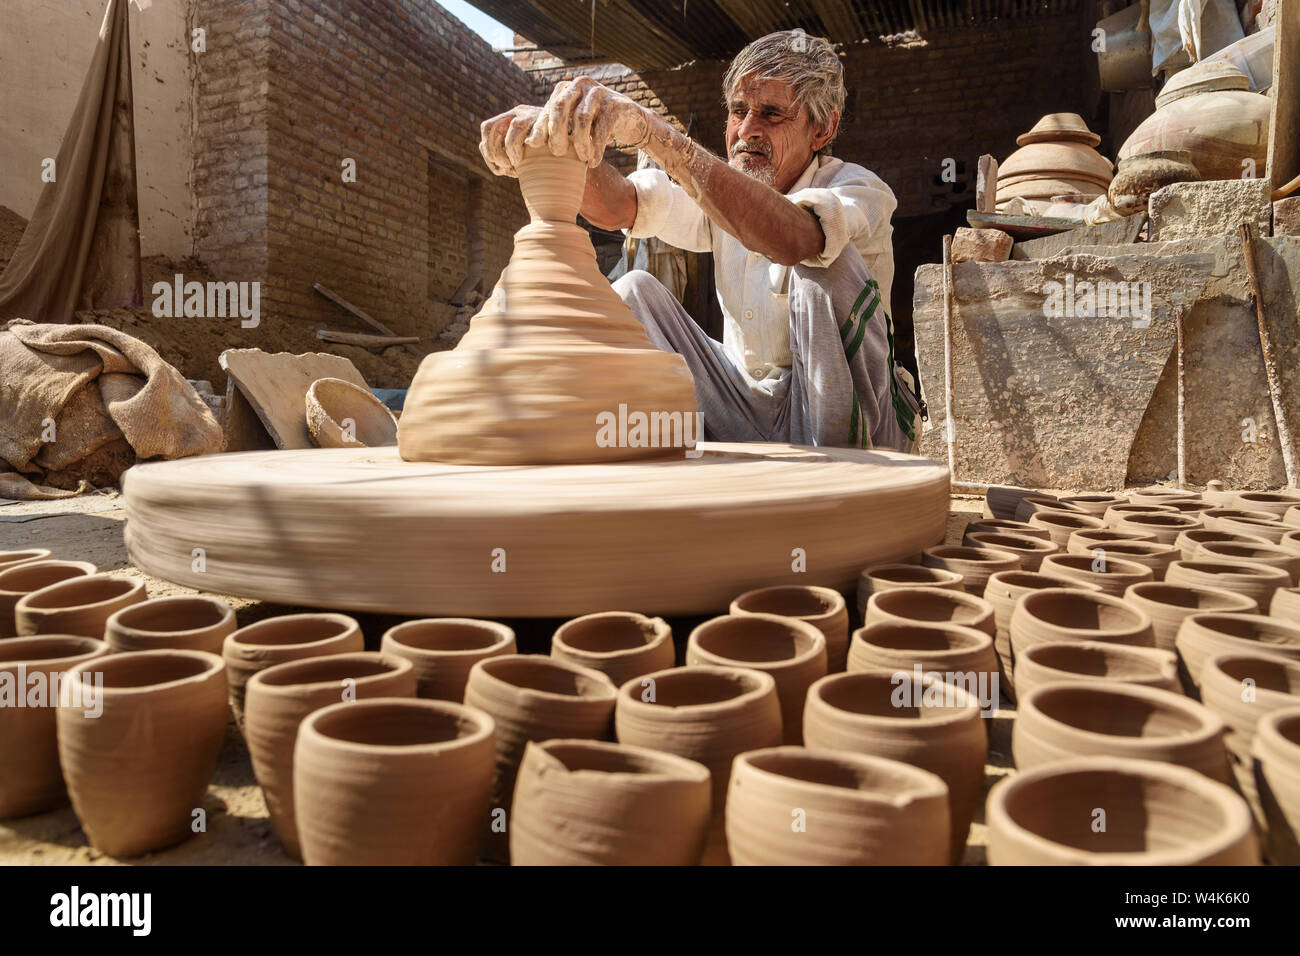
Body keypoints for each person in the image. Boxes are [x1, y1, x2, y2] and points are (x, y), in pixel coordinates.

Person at [479, 30, 923, 451]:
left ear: (822, 129)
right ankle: (657, 455)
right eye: (737, 111)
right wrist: (556, 143)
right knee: (635, 291)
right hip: (749, 407)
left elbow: (792, 237)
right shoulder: (720, 199)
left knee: (822, 262)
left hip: (866, 425)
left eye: (770, 114)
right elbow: (618, 206)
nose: (746, 129)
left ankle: (842, 484)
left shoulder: (860, 190)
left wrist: (656, 133)